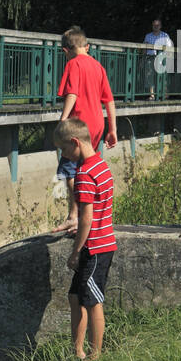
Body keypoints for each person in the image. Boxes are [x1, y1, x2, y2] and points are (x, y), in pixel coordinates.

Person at [54, 118, 118, 361]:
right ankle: (77, 351)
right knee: (75, 297)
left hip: (95, 247)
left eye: (64, 149)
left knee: (93, 301)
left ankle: (95, 355)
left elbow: (86, 219)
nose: (64, 155)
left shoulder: (84, 174)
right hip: (102, 242)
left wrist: (76, 251)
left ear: (75, 143)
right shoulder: (101, 165)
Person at [51, 27, 117, 234]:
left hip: (79, 125)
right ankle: (87, 214)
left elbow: (72, 92)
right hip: (97, 125)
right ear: (86, 46)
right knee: (87, 168)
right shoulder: (98, 66)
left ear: (65, 51)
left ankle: (74, 216)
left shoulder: (73, 64)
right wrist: (112, 129)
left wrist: (63, 119)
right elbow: (109, 100)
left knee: (69, 169)